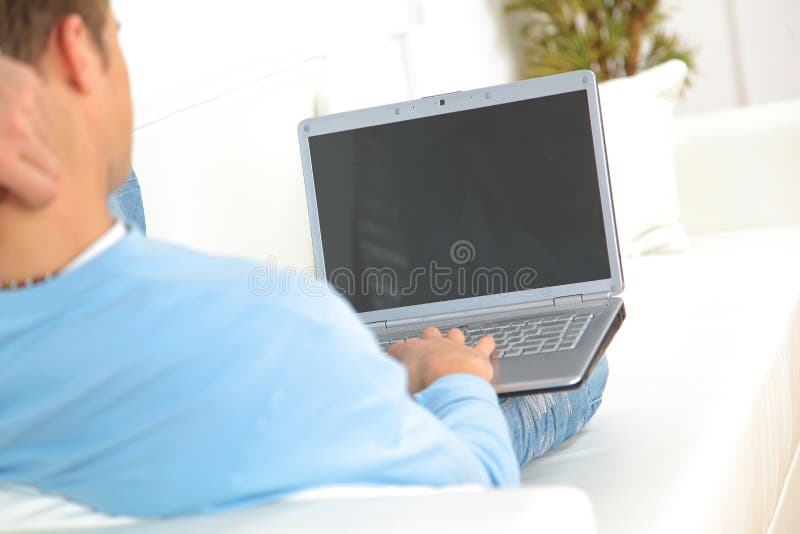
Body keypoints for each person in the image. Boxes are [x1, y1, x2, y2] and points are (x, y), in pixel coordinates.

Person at [0, 0, 608, 519]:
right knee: (584, 377)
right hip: (279, 420)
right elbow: (471, 506)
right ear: (77, 50)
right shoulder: (280, 328)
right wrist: (453, 379)